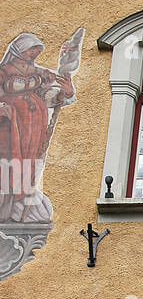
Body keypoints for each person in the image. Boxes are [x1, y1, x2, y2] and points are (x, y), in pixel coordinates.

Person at [0, 30, 84, 223]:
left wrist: (67, 92)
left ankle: (22, 201)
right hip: (9, 128)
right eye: (31, 51)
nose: (34, 55)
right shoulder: (3, 72)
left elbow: (54, 98)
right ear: (20, 50)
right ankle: (7, 205)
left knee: (28, 163)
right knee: (9, 164)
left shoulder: (40, 73)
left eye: (37, 52)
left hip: (34, 130)